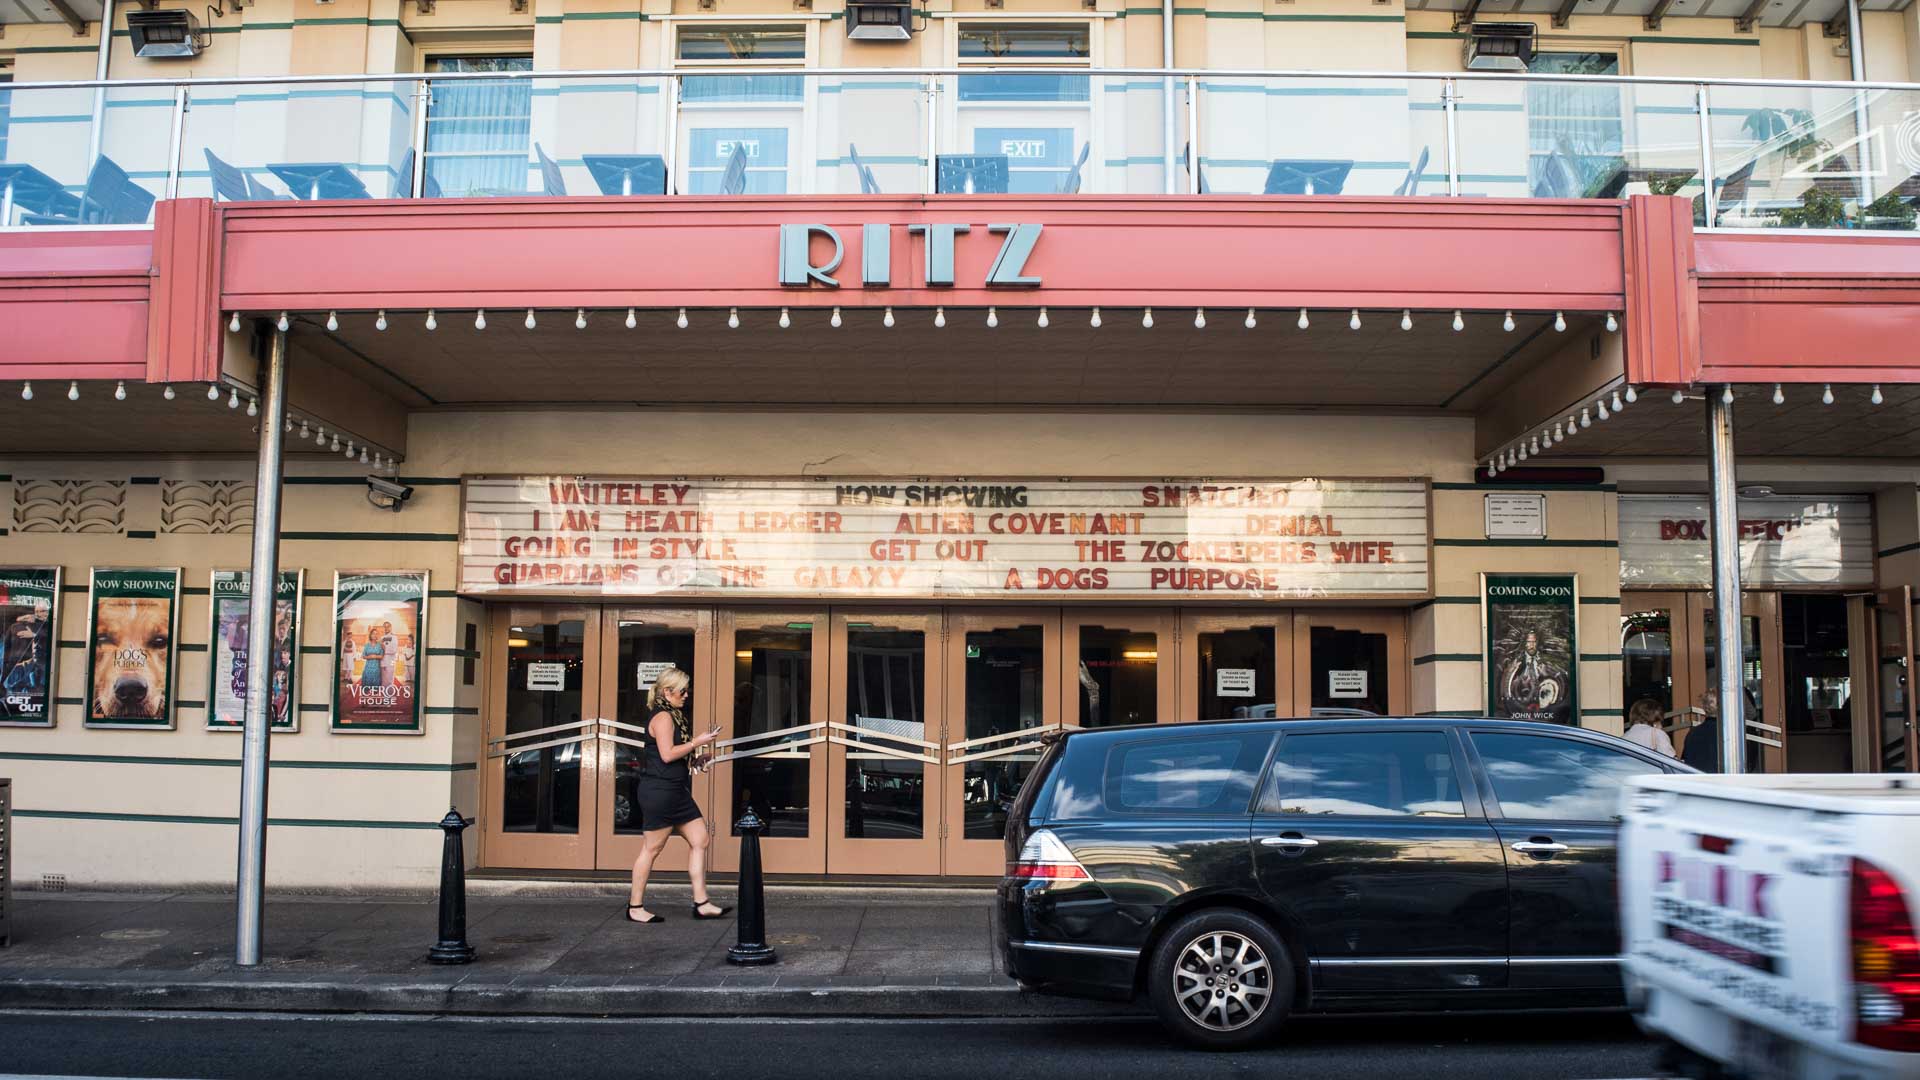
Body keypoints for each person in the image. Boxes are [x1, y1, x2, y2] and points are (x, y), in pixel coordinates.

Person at [627, 666, 730, 925]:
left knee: (701, 839)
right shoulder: (662, 717)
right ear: (667, 691)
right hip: (660, 791)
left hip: (675, 790)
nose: (686, 695)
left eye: (688, 690)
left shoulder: (674, 715)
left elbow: (676, 756)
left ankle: (702, 903)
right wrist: (697, 742)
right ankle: (635, 907)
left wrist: (696, 760)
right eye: (682, 691)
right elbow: (667, 754)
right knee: (652, 848)